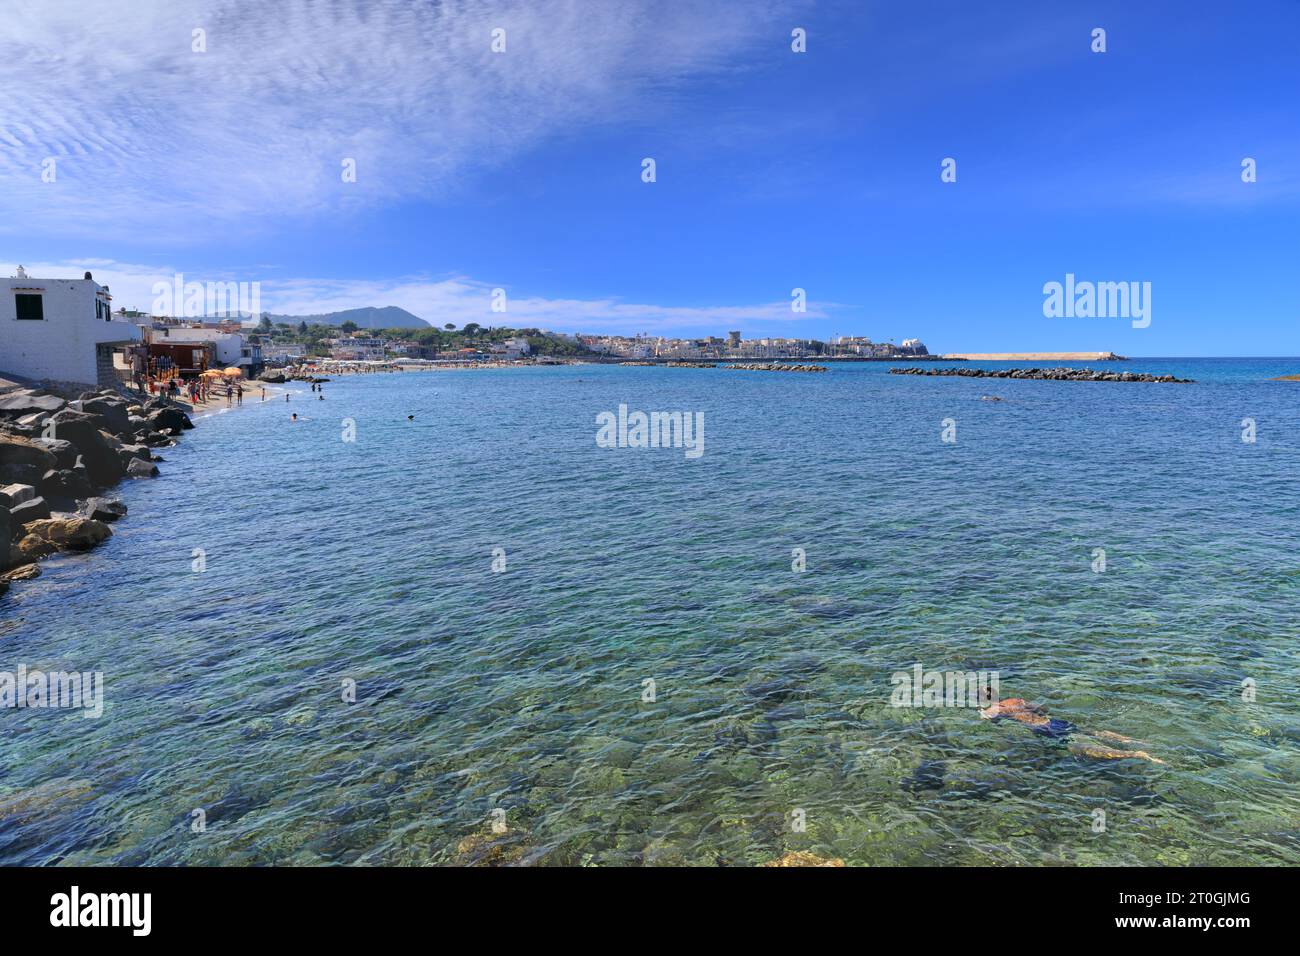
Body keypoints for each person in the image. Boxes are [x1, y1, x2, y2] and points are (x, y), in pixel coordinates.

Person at [980, 698, 1166, 763]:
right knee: (1094, 732)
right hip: (1054, 721)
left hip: (1046, 730)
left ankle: (1136, 754)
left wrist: (985, 714)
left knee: (1082, 748)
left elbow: (989, 718)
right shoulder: (1017, 700)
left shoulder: (998, 709)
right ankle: (1131, 741)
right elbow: (1043, 709)